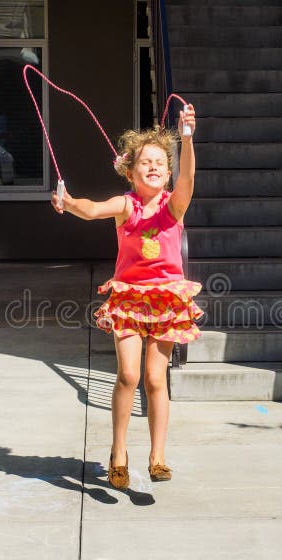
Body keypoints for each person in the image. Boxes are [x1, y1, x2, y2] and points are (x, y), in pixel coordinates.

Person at [50, 106, 202, 491]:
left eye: (159, 163)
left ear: (167, 173)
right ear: (130, 171)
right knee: (129, 375)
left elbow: (189, 177)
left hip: (166, 299)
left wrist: (186, 138)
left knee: (155, 378)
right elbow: (93, 209)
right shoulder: (126, 205)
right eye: (144, 162)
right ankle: (118, 452)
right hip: (130, 299)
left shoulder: (174, 206)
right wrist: (68, 203)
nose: (153, 167)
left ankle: (157, 456)